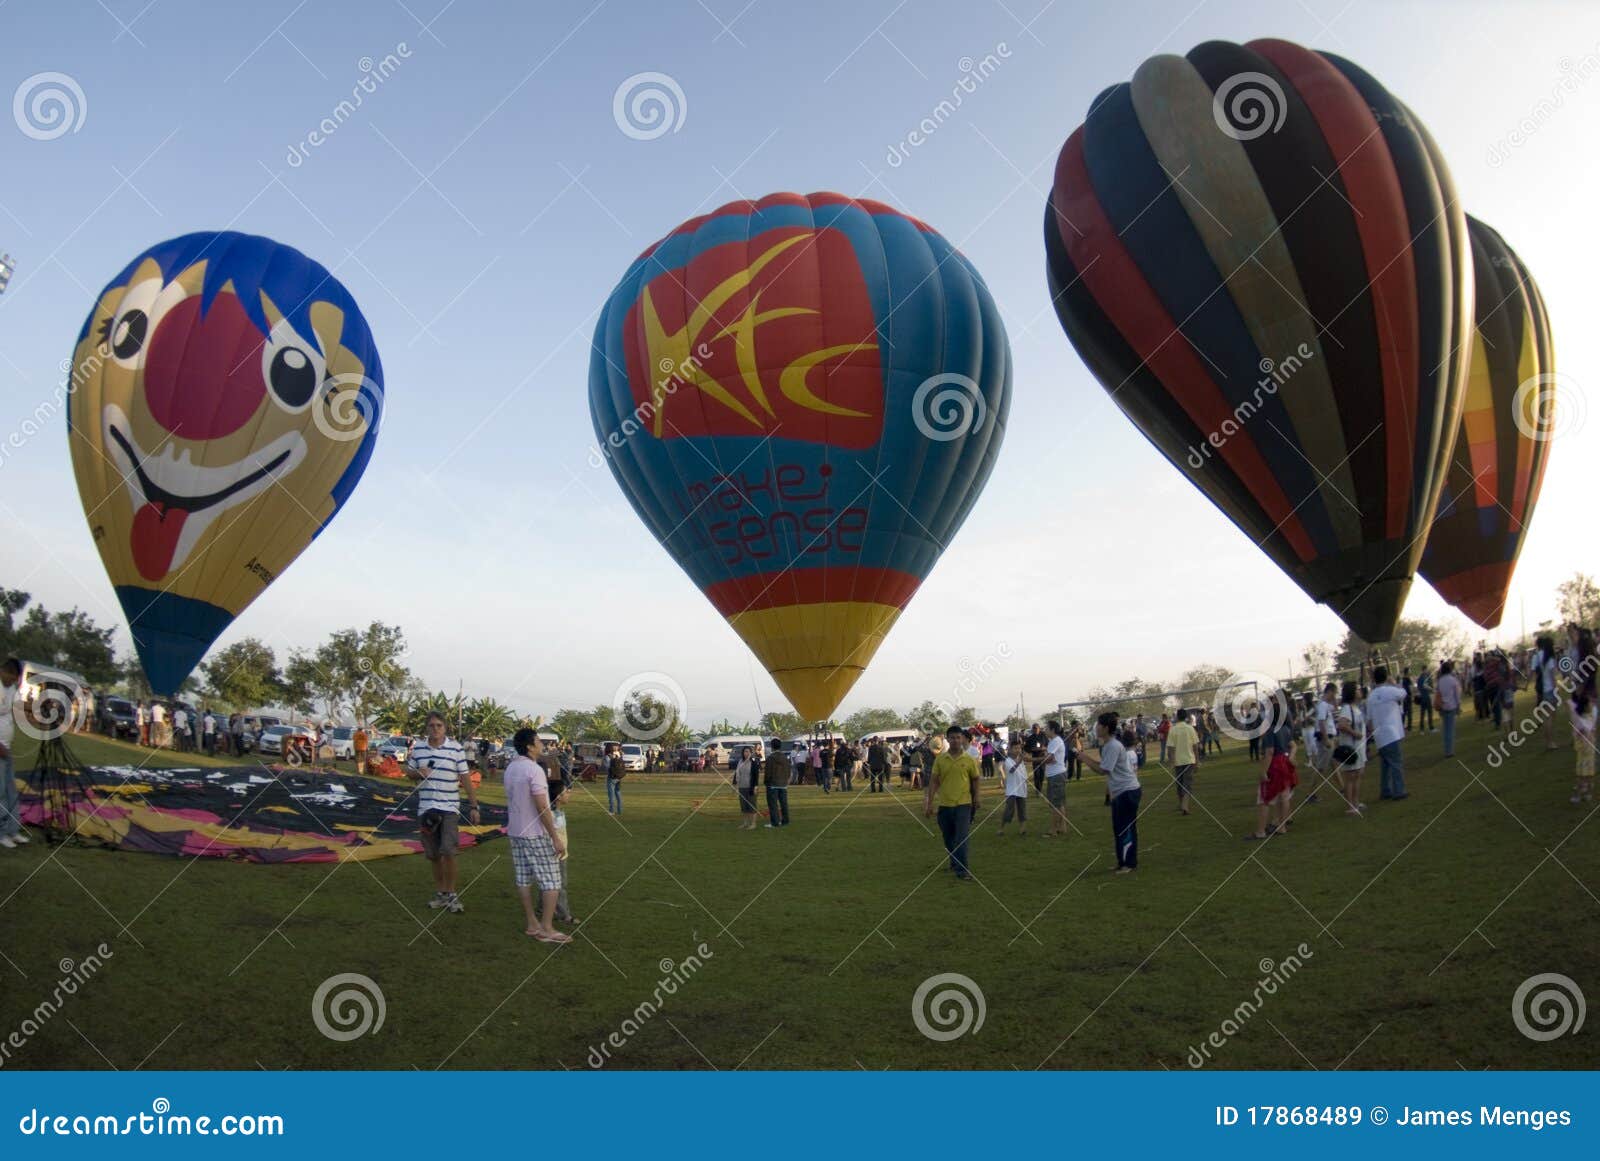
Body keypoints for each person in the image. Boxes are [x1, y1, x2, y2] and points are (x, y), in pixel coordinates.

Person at [408, 710, 478, 913]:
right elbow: (409, 773)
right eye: (432, 725)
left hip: (449, 808)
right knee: (433, 854)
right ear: (426, 728)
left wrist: (474, 806)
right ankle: (441, 892)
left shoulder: (456, 749)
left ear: (445, 728)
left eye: (439, 725)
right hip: (426, 808)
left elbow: (465, 779)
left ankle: (451, 893)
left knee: (448, 851)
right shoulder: (419, 749)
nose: (435, 729)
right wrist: (417, 773)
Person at [504, 728, 570, 944]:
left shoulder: (511, 768)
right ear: (530, 746)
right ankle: (546, 928)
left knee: (523, 878)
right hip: (534, 833)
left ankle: (532, 923)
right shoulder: (534, 770)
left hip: (515, 830)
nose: (542, 744)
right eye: (539, 741)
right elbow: (543, 806)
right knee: (552, 881)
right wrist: (555, 837)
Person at [924, 725, 980, 879]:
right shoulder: (941, 759)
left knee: (961, 837)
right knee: (948, 838)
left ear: (962, 739)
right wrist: (929, 803)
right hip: (945, 805)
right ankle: (954, 861)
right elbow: (934, 782)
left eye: (958, 737)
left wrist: (976, 797)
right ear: (947, 740)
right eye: (952, 738)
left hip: (963, 804)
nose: (955, 740)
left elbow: (975, 779)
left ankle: (963, 871)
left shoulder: (969, 759)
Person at [1091, 712, 1141, 872]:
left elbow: (1103, 770)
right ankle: (1122, 862)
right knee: (1119, 828)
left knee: (1125, 828)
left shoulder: (1112, 745)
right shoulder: (1108, 745)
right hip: (1121, 793)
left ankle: (1128, 864)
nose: (1096, 727)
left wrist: (1083, 757)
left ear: (1106, 728)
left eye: (1099, 725)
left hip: (1127, 791)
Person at [1246, 701, 1298, 840]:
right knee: (1284, 796)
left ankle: (1260, 831)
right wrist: (1291, 758)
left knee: (1264, 799)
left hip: (1274, 764)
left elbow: (1269, 752)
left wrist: (1263, 771)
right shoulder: (1286, 729)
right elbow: (1293, 746)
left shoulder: (1270, 731)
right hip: (1285, 763)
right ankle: (1282, 826)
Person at [1367, 666, 1408, 801]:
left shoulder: (1371, 696)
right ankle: (1399, 791)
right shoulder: (1390, 690)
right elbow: (1403, 693)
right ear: (1386, 677)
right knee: (1396, 763)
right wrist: (1394, 682)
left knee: (1385, 765)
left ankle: (1385, 790)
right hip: (1392, 733)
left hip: (1379, 735)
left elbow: (1368, 719)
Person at [0, 659, 27, 850]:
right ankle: (1, 833)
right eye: (9, 674)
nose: (11, 679)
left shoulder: (11, 690)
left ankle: (12, 829)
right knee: (0, 790)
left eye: (14, 677)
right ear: (2, 671)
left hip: (6, 746)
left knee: (11, 789)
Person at [1569, 629, 1597, 804]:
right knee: (1588, 756)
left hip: (1582, 717)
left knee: (1582, 758)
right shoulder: (1592, 668)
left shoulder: (1583, 672)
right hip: (1588, 716)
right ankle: (1587, 788)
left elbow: (1578, 696)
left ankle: (1583, 789)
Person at [1333, 681, 1368, 815]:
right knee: (1351, 777)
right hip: (1351, 748)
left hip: (1359, 747)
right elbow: (1342, 725)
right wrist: (1355, 733)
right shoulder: (1347, 708)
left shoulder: (1355, 707)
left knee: (1358, 774)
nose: (1360, 691)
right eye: (1357, 689)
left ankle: (1356, 802)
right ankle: (1351, 806)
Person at [549, 775, 578, 926]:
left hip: (562, 854)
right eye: (567, 791)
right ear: (558, 796)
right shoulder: (551, 815)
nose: (569, 793)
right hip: (556, 855)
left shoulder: (559, 812)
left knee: (549, 884)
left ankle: (544, 908)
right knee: (560, 885)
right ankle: (564, 915)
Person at [1167, 707, 1198, 815]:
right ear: (1186, 717)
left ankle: (1183, 805)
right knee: (1187, 784)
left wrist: (1171, 761)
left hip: (1177, 761)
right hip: (1189, 760)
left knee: (1180, 784)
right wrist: (1197, 761)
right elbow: (1195, 746)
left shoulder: (1173, 729)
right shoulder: (1190, 729)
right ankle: (1184, 806)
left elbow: (1170, 748)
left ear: (1177, 717)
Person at [1533, 634, 1561, 751]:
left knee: (1548, 717)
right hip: (1550, 690)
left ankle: (1549, 741)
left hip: (1545, 690)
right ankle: (1550, 742)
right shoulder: (1549, 659)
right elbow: (1553, 677)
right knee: (1550, 717)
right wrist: (1556, 691)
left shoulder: (1541, 657)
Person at [997, 736, 1029, 836]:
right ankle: (1001, 828)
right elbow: (1012, 770)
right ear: (1010, 750)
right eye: (1015, 748)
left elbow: (1023, 771)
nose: (1018, 750)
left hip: (1021, 788)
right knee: (1009, 810)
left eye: (1019, 748)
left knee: (1022, 809)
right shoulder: (1008, 761)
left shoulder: (1021, 760)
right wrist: (1020, 761)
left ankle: (1022, 828)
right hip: (1012, 790)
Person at [1042, 719, 1069, 836]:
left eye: (1046, 728)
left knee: (1055, 804)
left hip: (1056, 775)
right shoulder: (1054, 741)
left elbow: (1049, 759)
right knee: (1059, 803)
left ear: (1052, 730)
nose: (1045, 730)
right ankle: (1063, 827)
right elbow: (1050, 758)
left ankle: (1053, 830)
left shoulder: (1055, 741)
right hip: (1056, 774)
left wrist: (1031, 760)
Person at [763, 736, 791, 827]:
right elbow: (788, 770)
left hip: (773, 784)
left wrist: (766, 782)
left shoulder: (770, 758)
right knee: (784, 804)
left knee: (773, 804)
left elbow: (768, 772)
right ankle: (785, 820)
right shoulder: (785, 757)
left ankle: (775, 822)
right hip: (783, 784)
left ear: (772, 746)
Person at [1436, 660, 1462, 758]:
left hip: (1443, 707)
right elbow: (1457, 695)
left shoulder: (1440, 681)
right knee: (1450, 730)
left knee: (1445, 729)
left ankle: (1446, 749)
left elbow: (1438, 694)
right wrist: (1458, 706)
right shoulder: (1453, 680)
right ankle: (1449, 751)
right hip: (1451, 706)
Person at [733, 746, 759, 829]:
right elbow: (737, 774)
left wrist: (755, 787)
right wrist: (736, 786)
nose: (746, 753)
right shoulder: (740, 762)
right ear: (743, 753)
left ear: (751, 753)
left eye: (748, 752)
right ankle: (745, 823)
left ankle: (753, 824)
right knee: (744, 807)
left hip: (751, 788)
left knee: (752, 806)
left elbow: (756, 776)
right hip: (742, 787)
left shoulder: (754, 762)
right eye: (745, 752)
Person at [605, 743, 625, 815]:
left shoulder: (608, 756)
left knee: (611, 795)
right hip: (619, 777)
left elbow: (607, 767)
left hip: (611, 777)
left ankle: (611, 811)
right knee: (618, 793)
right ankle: (619, 810)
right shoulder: (620, 754)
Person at [1415, 667, 1435, 734]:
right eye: (1426, 670)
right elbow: (1425, 685)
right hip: (1426, 697)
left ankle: (1422, 729)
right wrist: (1432, 689)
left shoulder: (1419, 678)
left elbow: (1418, 687)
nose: (1427, 671)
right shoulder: (1424, 677)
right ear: (1424, 670)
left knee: (1422, 714)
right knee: (1429, 712)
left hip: (1422, 697)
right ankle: (1431, 728)